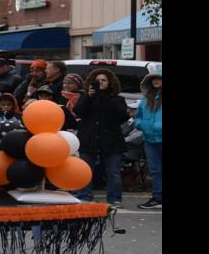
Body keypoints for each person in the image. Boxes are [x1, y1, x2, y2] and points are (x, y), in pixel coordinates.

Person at [68, 68, 131, 208]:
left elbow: (122, 116)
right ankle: (84, 195)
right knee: (85, 170)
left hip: (111, 140)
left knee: (113, 171)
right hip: (89, 138)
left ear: (110, 83)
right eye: (97, 81)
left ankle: (114, 198)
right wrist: (89, 97)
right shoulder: (86, 97)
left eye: (103, 80)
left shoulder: (117, 99)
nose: (100, 83)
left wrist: (104, 97)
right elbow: (78, 111)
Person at [131, 70, 162, 208]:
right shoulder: (146, 98)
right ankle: (157, 198)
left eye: (158, 78)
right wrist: (141, 124)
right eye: (153, 79)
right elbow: (138, 116)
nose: (155, 81)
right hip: (150, 139)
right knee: (155, 170)